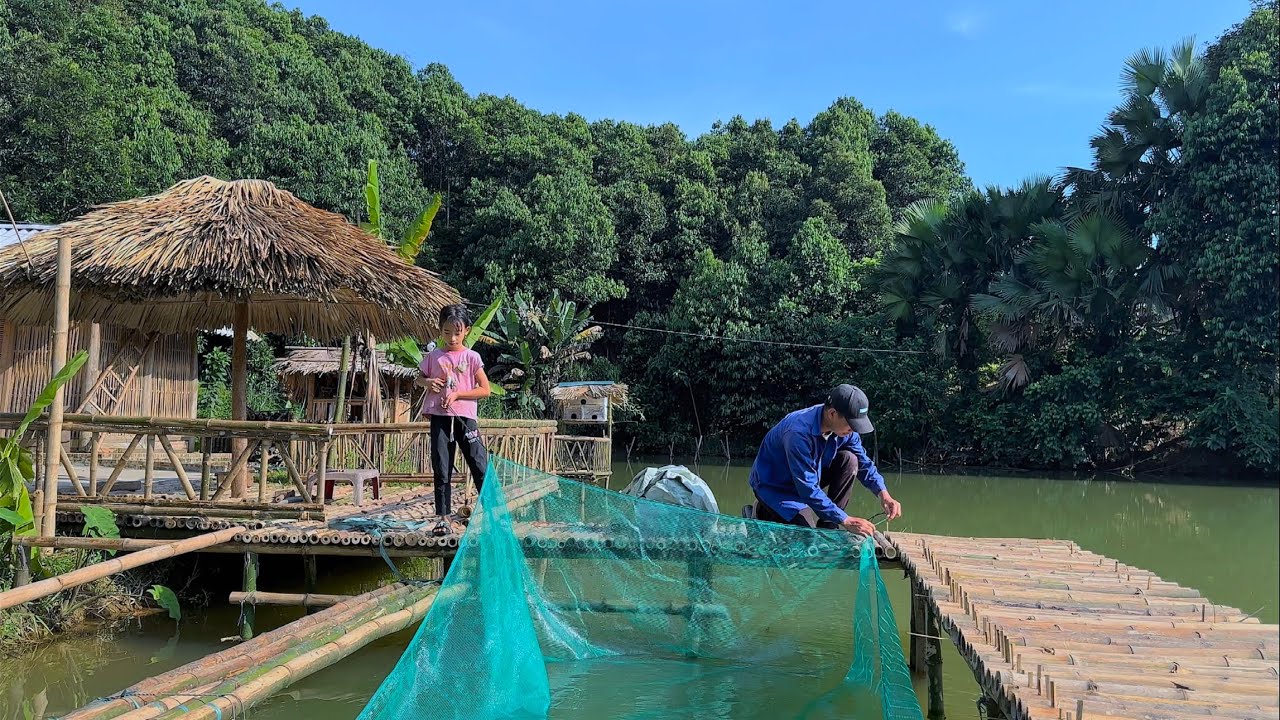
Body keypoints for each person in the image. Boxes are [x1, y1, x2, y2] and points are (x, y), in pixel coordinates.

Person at [748, 384, 902, 535]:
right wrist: (846, 520)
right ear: (832, 413)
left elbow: (864, 463)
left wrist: (884, 494)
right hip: (776, 488)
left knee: (850, 460)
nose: (853, 430)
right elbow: (807, 488)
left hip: (808, 478)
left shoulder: (845, 431)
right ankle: (762, 511)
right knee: (808, 538)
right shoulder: (798, 433)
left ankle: (829, 525)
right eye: (851, 424)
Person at [419, 304, 492, 518]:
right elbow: (419, 378)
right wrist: (428, 382)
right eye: (447, 332)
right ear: (440, 329)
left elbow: (485, 389)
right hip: (440, 418)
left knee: (479, 464)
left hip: (464, 418)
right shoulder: (434, 357)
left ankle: (492, 513)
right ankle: (443, 517)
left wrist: (458, 395)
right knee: (442, 467)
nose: (452, 338)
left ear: (467, 331)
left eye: (457, 333)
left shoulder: (472, 357)